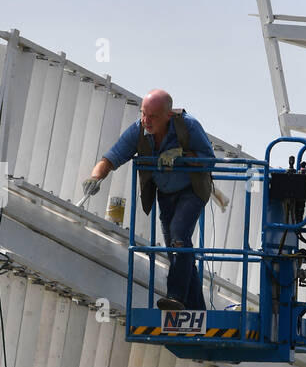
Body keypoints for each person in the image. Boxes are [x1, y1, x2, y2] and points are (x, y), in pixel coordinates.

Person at [81, 89, 213, 311]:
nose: (146, 121)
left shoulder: (188, 126)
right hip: (165, 193)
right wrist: (95, 177)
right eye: (144, 114)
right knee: (177, 250)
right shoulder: (138, 130)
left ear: (168, 115)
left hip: (192, 191)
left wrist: (180, 155)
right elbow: (112, 157)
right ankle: (197, 310)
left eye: (152, 116)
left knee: (179, 237)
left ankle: (175, 297)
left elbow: (209, 160)